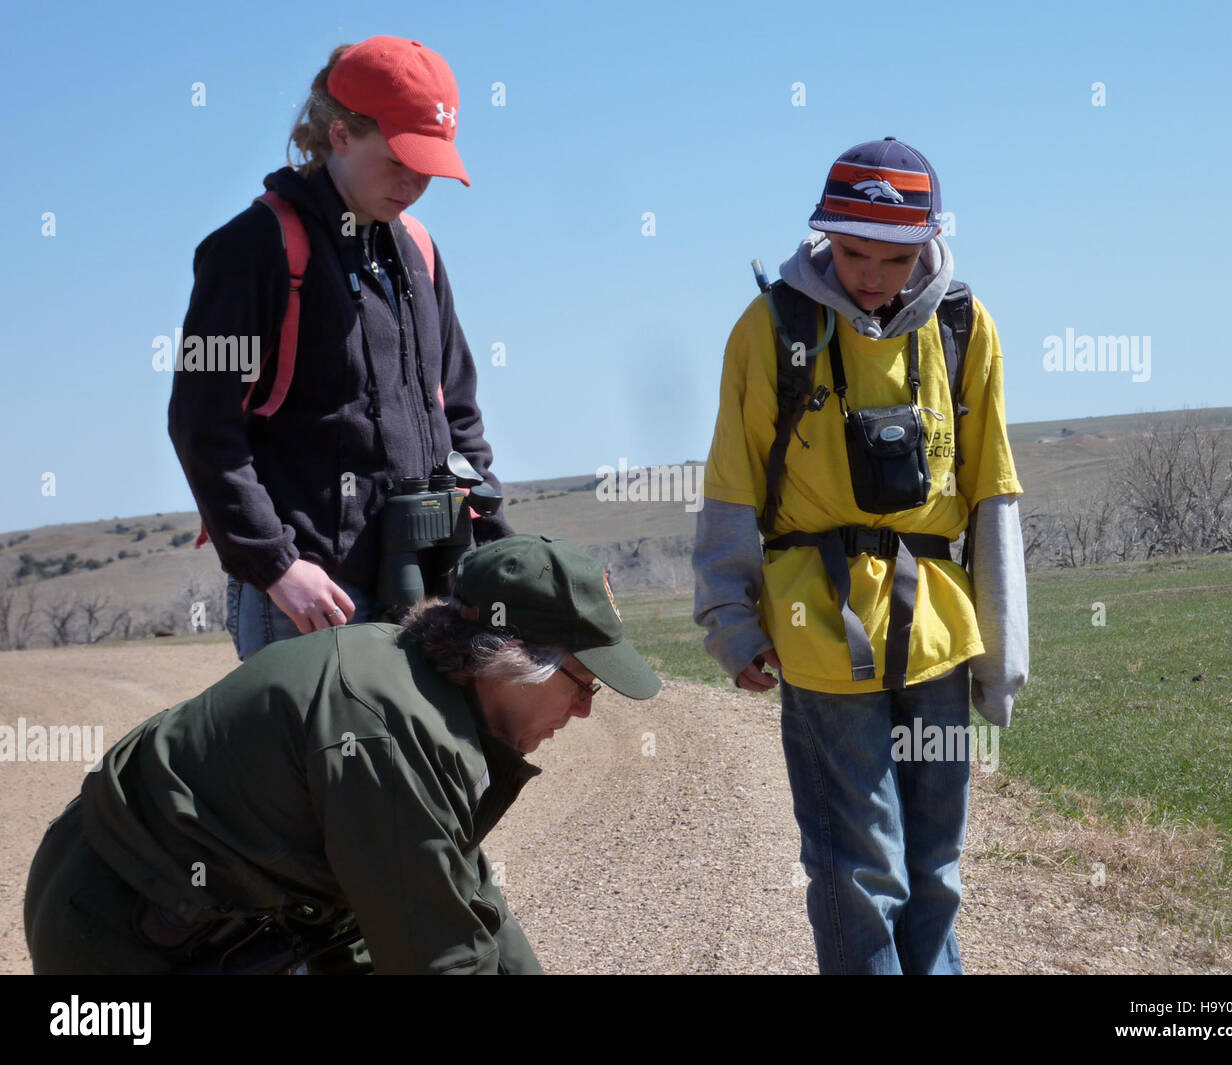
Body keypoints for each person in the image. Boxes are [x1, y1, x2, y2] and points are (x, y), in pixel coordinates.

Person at [693, 138, 1028, 974]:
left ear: (929, 247)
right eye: (851, 252)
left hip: (938, 638)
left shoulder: (964, 326)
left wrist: (1004, 654)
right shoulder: (772, 328)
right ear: (822, 239)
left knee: (936, 869)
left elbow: (993, 489)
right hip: (817, 634)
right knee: (860, 869)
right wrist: (731, 625)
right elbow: (732, 480)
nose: (870, 274)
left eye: (894, 256)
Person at [25, 535, 662, 975]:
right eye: (583, 684)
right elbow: (433, 957)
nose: (584, 710)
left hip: (177, 908)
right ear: (510, 661)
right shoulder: (391, 733)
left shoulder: (425, 686)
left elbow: (469, 902)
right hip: (118, 926)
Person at [168, 36, 511, 661]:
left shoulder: (420, 253)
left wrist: (494, 544)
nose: (414, 183)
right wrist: (274, 567)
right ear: (340, 134)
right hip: (315, 595)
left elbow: (457, 415)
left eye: (429, 166)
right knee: (318, 761)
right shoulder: (254, 248)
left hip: (428, 578)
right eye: (399, 159)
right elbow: (202, 426)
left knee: (436, 761)